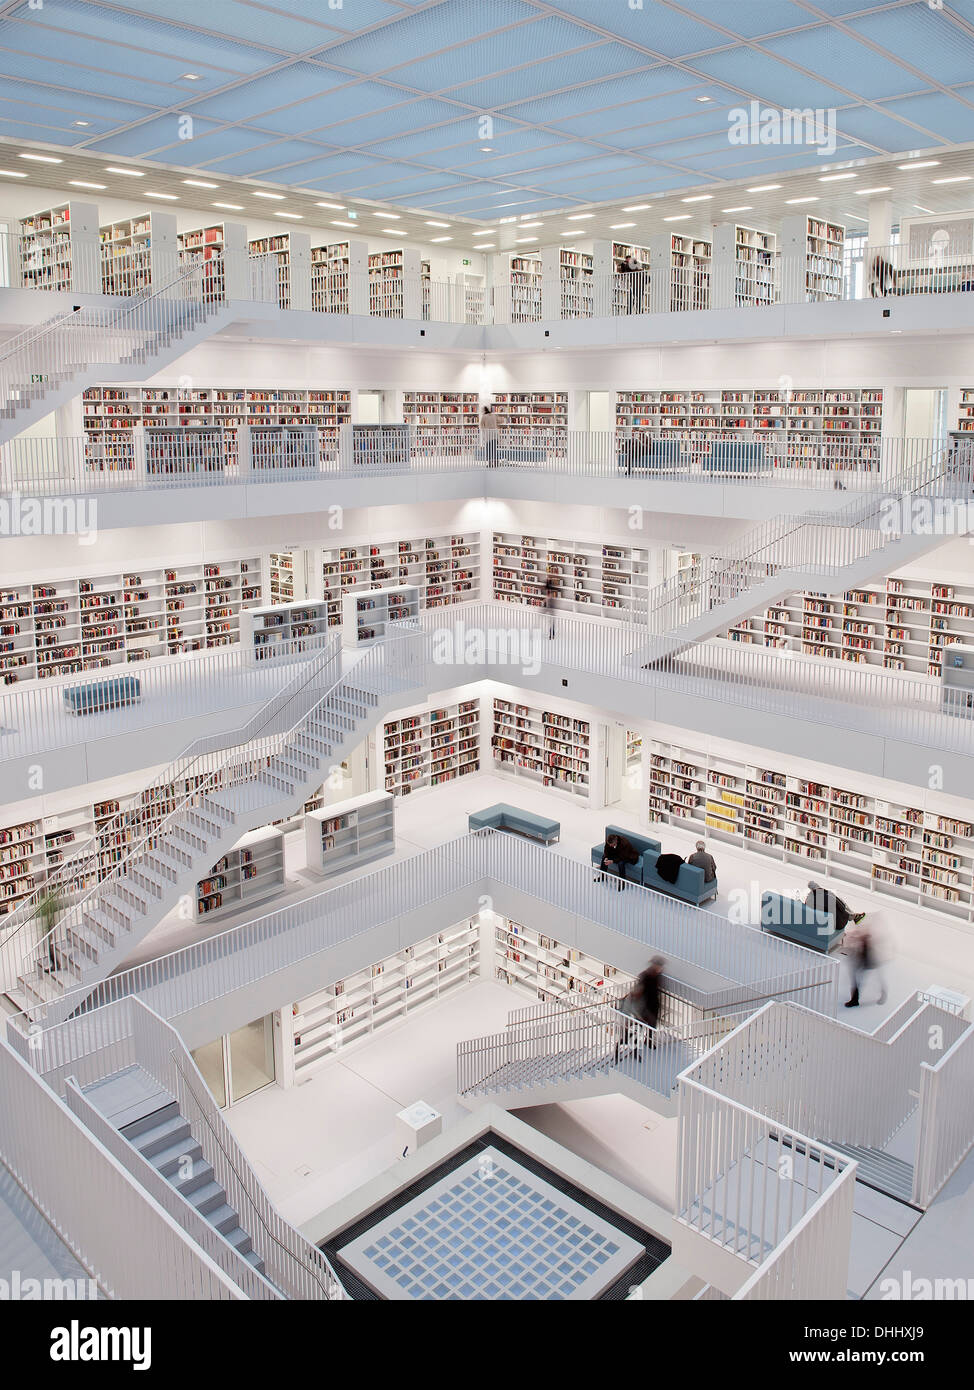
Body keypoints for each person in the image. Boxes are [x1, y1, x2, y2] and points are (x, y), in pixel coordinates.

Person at [615, 957, 665, 1062]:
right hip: (643, 1008)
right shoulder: (645, 976)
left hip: (652, 1006)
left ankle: (646, 1043)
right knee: (637, 1030)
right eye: (658, 966)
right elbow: (638, 991)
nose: (659, 968)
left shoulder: (657, 977)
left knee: (650, 1026)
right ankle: (626, 1047)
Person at [844, 923, 886, 1008]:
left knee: (860, 980)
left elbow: (866, 953)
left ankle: (855, 1000)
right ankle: (855, 1000)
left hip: (866, 962)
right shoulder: (865, 938)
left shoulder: (867, 940)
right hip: (864, 962)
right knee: (859, 980)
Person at [545, 573, 557, 639]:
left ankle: (551, 634)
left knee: (551, 622)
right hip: (550, 610)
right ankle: (552, 634)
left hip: (551, 610)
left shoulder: (550, 596)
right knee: (551, 622)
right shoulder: (550, 595)